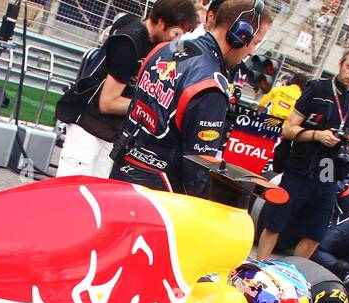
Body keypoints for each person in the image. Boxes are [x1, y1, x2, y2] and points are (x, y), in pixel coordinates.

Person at [109, 0, 271, 198]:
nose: (252, 51)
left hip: (122, 171)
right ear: (239, 35)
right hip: (161, 193)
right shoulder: (210, 86)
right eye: (254, 42)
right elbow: (198, 169)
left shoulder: (164, 49)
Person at [56, 0, 198, 179]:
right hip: (87, 130)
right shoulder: (129, 42)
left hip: (111, 135)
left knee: (95, 198)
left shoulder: (156, 44)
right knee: (70, 194)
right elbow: (108, 103)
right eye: (176, 33)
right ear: (161, 22)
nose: (176, 40)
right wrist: (152, 106)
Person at [253, 45, 349, 261]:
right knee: (275, 223)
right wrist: (317, 135)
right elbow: (288, 128)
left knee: (316, 233)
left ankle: (293, 273)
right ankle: (258, 267)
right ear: (341, 64)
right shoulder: (318, 89)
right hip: (300, 168)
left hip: (329, 172)